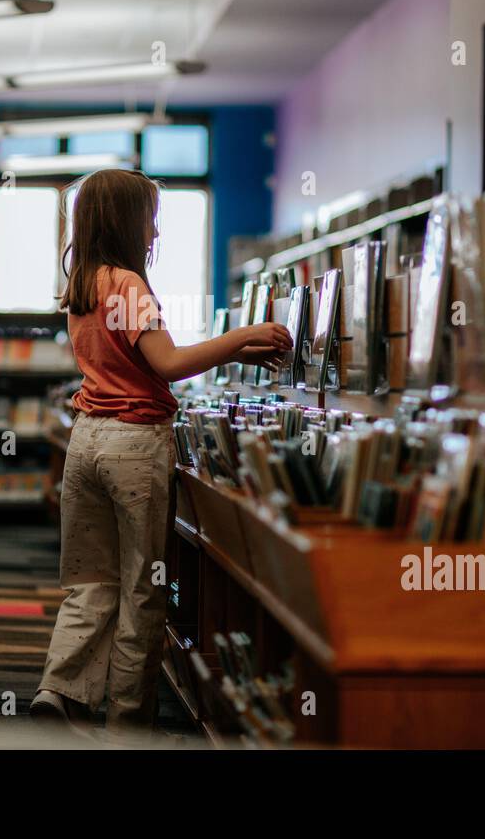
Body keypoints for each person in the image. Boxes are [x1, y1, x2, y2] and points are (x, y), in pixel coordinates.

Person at [30, 168, 293, 740]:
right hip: (133, 443)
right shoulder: (129, 285)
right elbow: (168, 364)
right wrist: (243, 337)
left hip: (87, 439)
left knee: (90, 582)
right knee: (142, 590)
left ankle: (61, 692)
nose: (154, 232)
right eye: (150, 218)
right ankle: (128, 725)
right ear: (126, 220)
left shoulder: (81, 283)